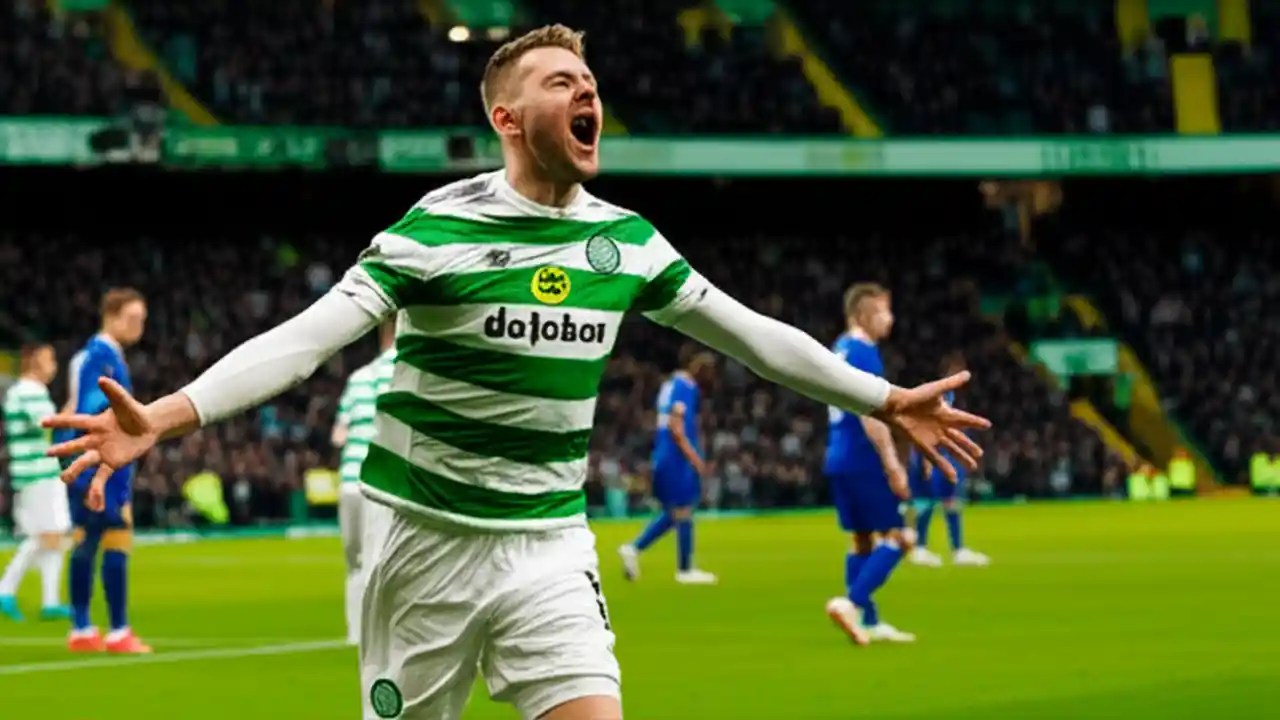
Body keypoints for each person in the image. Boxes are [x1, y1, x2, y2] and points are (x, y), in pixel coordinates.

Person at [44, 25, 988, 720]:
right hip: (423, 544)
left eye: (591, 82)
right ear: (506, 117)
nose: (588, 94)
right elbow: (307, 339)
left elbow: (753, 336)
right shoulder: (436, 228)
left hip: (548, 545)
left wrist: (885, 398)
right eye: (560, 82)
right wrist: (167, 414)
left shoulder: (627, 242)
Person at [823, 283, 918, 645]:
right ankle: (851, 603)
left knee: (862, 540)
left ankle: (869, 621)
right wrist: (893, 464)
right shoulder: (864, 352)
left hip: (838, 454)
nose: (890, 319)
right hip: (863, 457)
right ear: (863, 315)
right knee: (901, 536)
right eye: (883, 311)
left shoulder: (840, 348)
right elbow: (870, 414)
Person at [63, 288, 149, 654]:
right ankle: (117, 630)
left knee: (88, 540)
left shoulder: (95, 356)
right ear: (111, 316)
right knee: (116, 537)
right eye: (132, 319)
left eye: (142, 320)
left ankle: (83, 628)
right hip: (102, 463)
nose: (138, 326)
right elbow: (91, 409)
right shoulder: (100, 357)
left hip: (93, 461)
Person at [619, 345, 717, 584]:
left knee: (677, 512)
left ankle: (635, 549)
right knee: (683, 509)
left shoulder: (670, 385)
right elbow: (676, 426)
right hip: (675, 456)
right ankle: (683, 569)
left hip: (664, 453)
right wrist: (694, 457)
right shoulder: (686, 387)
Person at [330, 321, 397, 646]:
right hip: (380, 481)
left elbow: (338, 435)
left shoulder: (358, 378)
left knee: (354, 561)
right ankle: (380, 636)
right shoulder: (406, 372)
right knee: (378, 560)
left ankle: (355, 634)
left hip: (349, 480)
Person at [0, 343, 71, 621]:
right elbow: (47, 424)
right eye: (49, 359)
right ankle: (5, 590)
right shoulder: (29, 391)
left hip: (39, 472)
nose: (53, 366)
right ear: (34, 361)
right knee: (43, 535)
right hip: (36, 473)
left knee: (54, 535)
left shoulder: (28, 391)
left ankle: (50, 601)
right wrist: (75, 409)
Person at [909, 354, 990, 568]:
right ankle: (920, 547)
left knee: (950, 501)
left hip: (946, 455)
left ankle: (956, 550)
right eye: (958, 369)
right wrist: (925, 457)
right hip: (931, 454)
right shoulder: (935, 394)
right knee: (926, 501)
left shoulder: (952, 396)